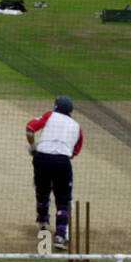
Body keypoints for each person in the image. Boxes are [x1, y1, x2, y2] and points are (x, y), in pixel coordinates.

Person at [26, 96, 83, 250]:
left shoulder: (49, 116)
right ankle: (60, 235)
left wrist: (32, 147)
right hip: (62, 162)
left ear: (56, 107)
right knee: (63, 199)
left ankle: (43, 223)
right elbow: (74, 152)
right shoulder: (77, 127)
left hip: (42, 158)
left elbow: (30, 128)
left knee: (42, 192)